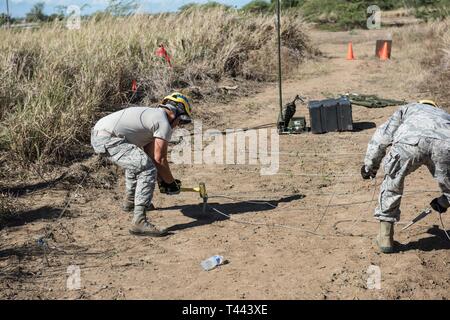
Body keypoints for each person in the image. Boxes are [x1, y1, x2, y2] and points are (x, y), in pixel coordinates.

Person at [91, 92, 192, 237]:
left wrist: (162, 180)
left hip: (100, 134)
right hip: (108, 138)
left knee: (141, 162)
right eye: (181, 121)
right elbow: (160, 159)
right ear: (175, 112)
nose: (178, 125)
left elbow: (151, 156)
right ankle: (139, 221)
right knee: (146, 167)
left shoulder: (152, 117)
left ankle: (131, 202)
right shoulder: (163, 122)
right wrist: (171, 184)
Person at [361, 101, 450, 253]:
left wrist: (370, 165)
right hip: (445, 144)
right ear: (434, 106)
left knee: (392, 184)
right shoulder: (444, 115)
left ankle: (385, 238)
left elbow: (383, 136)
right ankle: (443, 202)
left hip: (409, 144)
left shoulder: (408, 109)